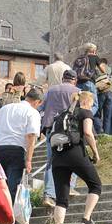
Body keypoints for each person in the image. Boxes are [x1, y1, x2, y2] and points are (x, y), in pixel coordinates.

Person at [0, 86, 43, 224]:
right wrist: (29, 160)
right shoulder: (33, 112)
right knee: (13, 188)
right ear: (37, 102)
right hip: (17, 150)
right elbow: (31, 137)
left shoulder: (6, 108)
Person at [49, 90, 103, 224]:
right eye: (91, 105)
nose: (91, 108)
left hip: (57, 157)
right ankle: (86, 218)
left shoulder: (61, 115)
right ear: (85, 102)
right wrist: (95, 153)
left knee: (61, 198)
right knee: (95, 185)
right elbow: (87, 132)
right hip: (75, 153)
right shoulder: (85, 112)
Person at [38, 68, 80, 207]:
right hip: (69, 130)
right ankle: (70, 187)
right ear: (74, 80)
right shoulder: (77, 91)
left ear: (63, 78)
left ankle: (48, 195)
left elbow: (41, 108)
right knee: (75, 158)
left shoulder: (51, 90)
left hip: (51, 129)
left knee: (51, 162)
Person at [93, 58, 112, 134]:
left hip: (100, 93)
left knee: (97, 114)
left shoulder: (97, 69)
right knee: (107, 116)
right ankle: (106, 134)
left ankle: (99, 132)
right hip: (110, 94)